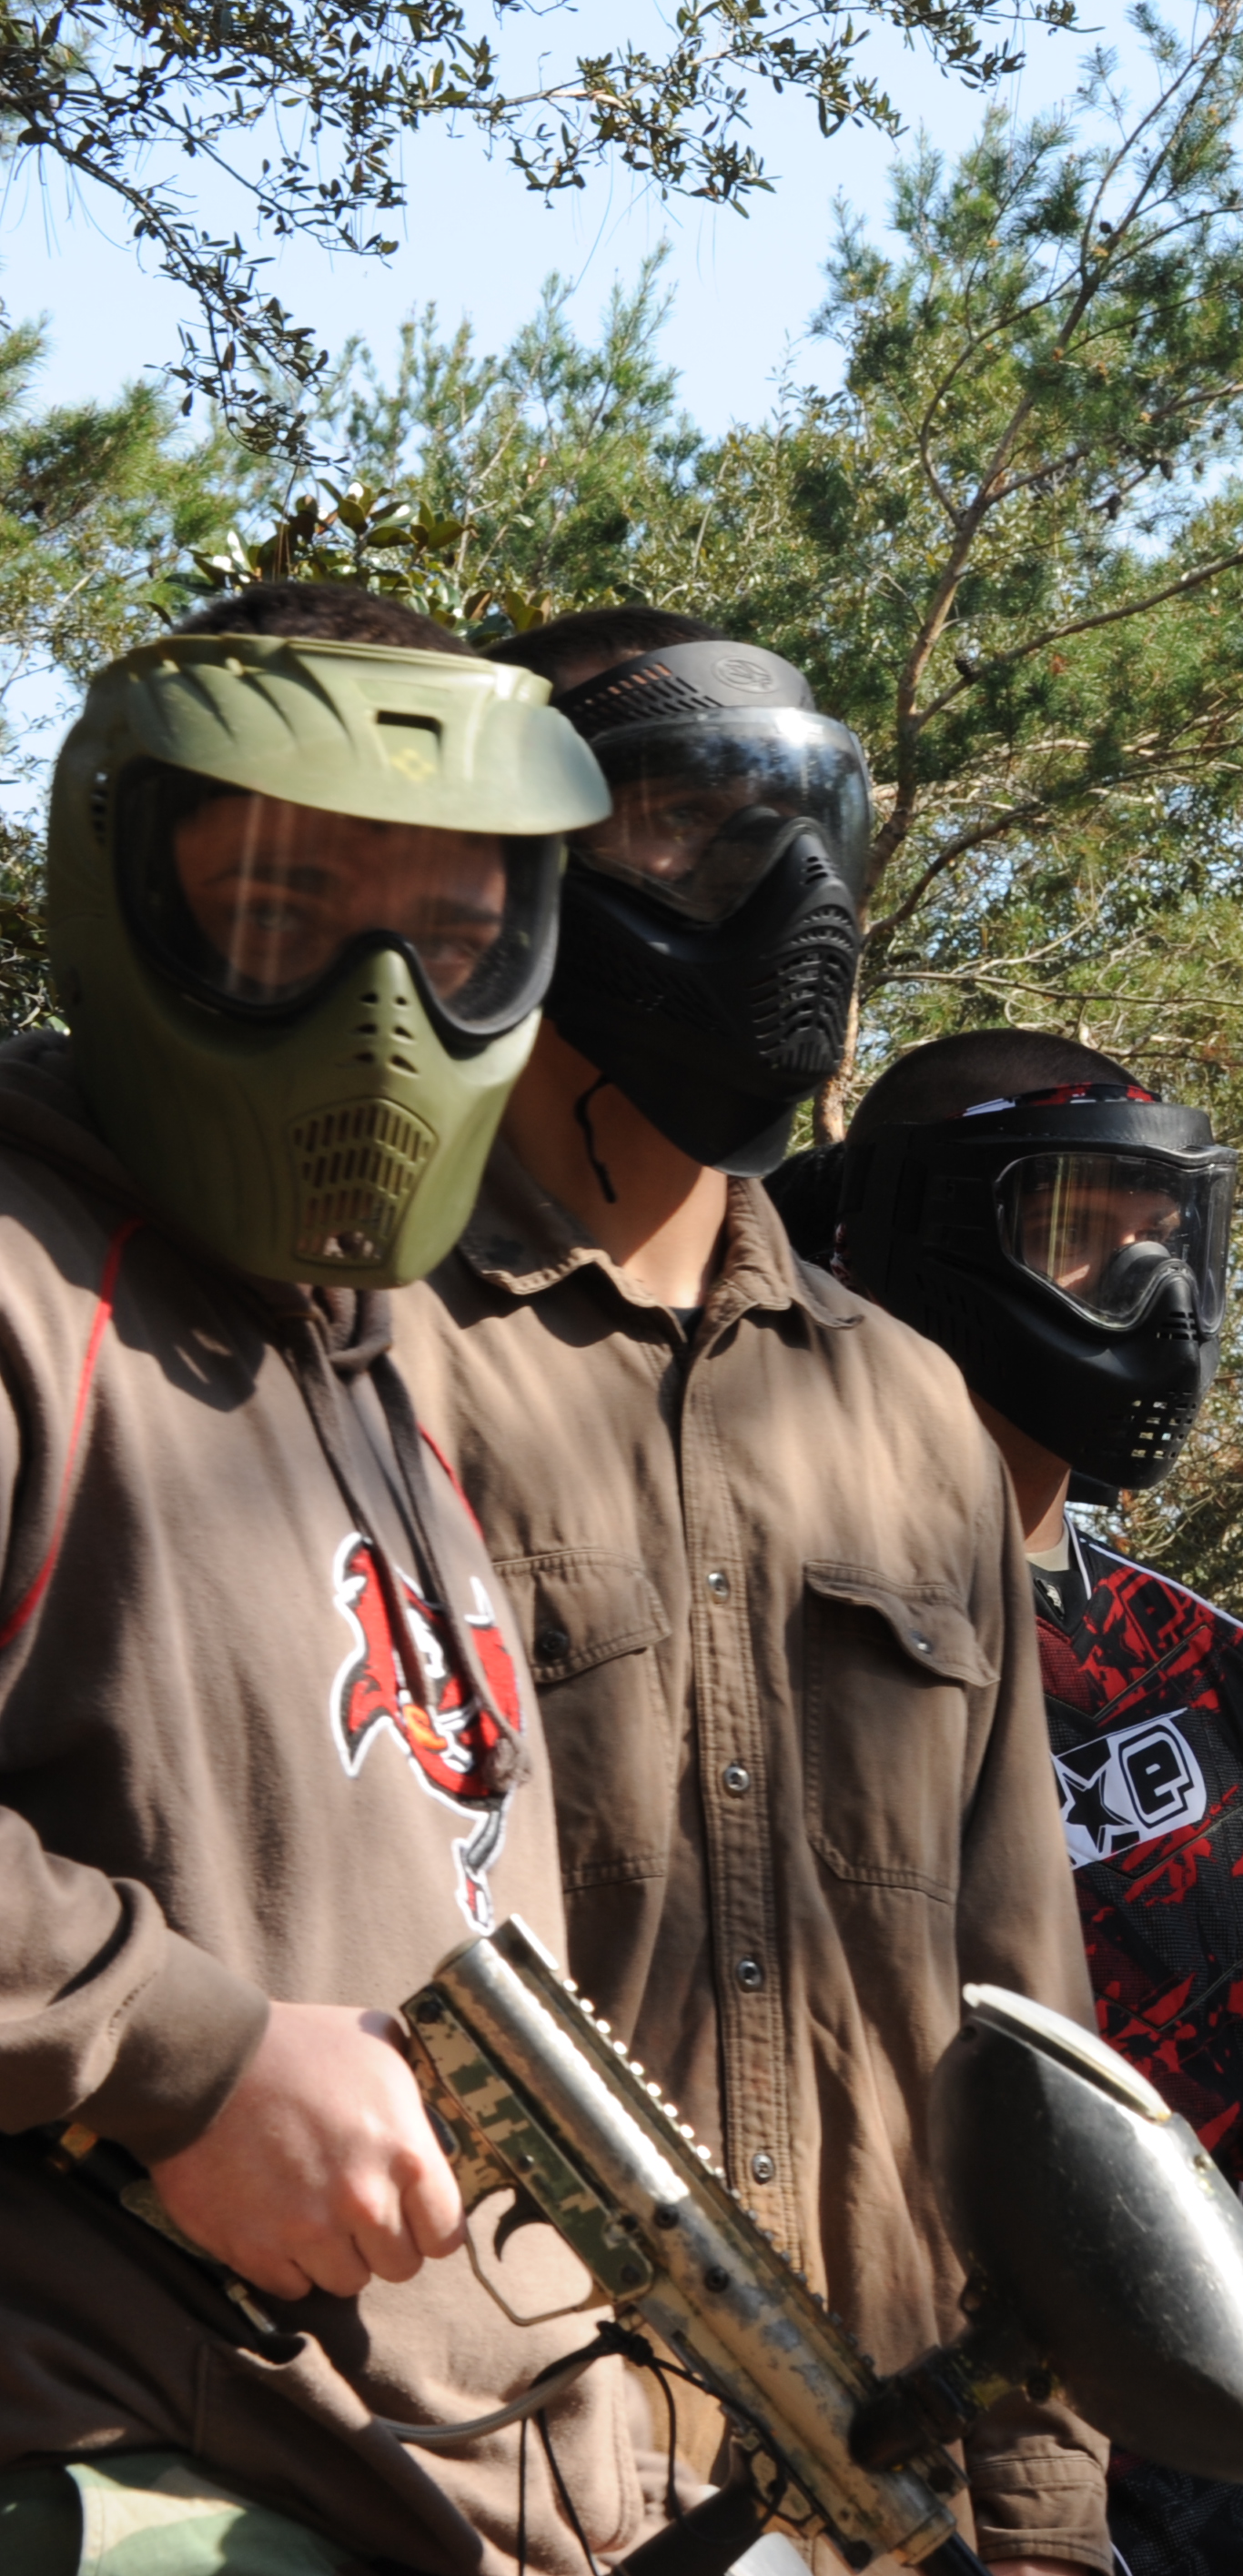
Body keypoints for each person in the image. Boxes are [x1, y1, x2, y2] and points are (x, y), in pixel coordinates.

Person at [389, 609, 1107, 2575]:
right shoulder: (360, 1353)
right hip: (489, 2495)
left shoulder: (913, 1416)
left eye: (798, 830)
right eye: (682, 829)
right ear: (504, 878)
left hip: (894, 2495)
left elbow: (1017, 2017)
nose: (777, 894)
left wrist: (1038, 2520)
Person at [0, 583, 672, 2575]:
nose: (380, 1019)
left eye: (453, 940)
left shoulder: (374, 1365)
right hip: (125, 2478)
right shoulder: (25, 1286)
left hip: (455, 2498)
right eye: (280, 913)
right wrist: (173, 2059)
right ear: (125, 895)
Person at [809, 1029, 1243, 2575]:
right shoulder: (762, 1642)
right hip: (907, 2455)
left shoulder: (1215, 1671)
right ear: (910, 1239)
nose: (1147, 1296)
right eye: (1077, 1234)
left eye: (1165, 1242)